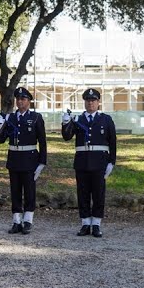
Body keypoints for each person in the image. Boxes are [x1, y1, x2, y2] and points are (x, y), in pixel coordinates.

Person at [61, 88, 117, 237]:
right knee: (83, 193)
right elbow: (67, 136)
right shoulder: (78, 120)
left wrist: (112, 161)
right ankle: (85, 223)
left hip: (100, 162)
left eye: (93, 100)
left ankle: (96, 224)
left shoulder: (106, 119)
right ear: (84, 102)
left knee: (98, 193)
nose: (90, 103)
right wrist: (66, 122)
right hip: (82, 161)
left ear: (98, 102)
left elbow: (113, 142)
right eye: (88, 100)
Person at [0, 86, 47, 234]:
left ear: (29, 101)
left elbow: (42, 141)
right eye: (18, 99)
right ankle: (16, 221)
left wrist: (42, 162)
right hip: (14, 159)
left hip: (30, 159)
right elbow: (0, 140)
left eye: (23, 99)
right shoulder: (11, 117)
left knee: (29, 191)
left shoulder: (36, 118)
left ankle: (28, 220)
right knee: (15, 191)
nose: (20, 102)